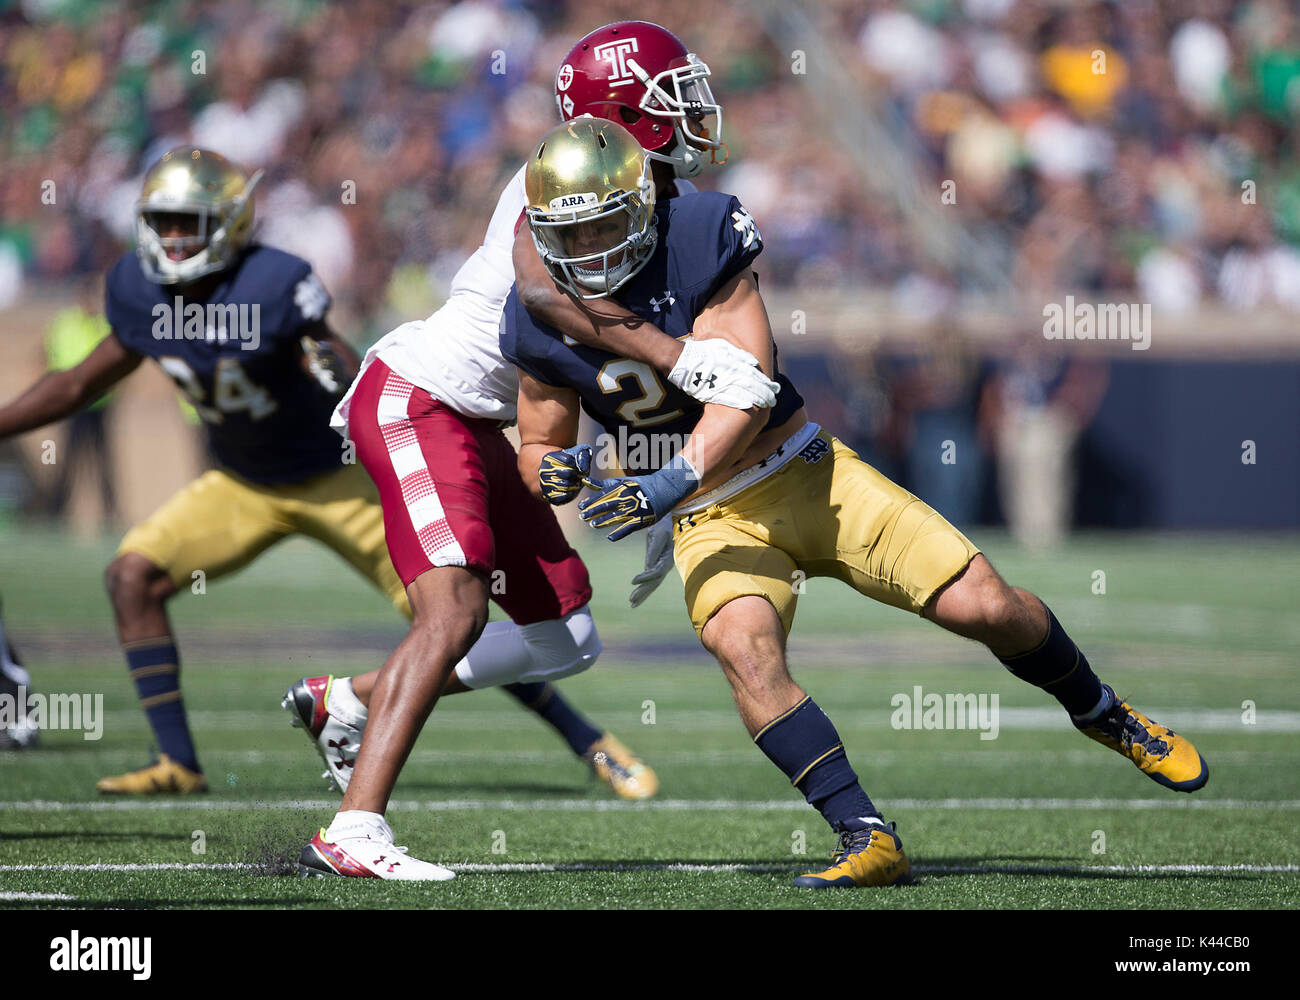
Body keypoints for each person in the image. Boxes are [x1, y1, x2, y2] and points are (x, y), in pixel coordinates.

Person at [502, 118, 1209, 889]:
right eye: (568, 234)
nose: (590, 248)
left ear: (640, 203)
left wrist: (663, 482)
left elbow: (744, 389)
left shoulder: (697, 233)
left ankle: (1103, 710)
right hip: (712, 518)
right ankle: (865, 833)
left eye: (604, 222)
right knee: (745, 651)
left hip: (805, 473)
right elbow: (535, 443)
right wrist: (558, 472)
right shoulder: (538, 310)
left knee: (987, 606)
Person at [0, 145, 668, 799]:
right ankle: (177, 761)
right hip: (244, 483)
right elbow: (78, 382)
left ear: (228, 225)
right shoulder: (138, 291)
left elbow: (334, 352)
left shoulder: (271, 280)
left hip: (339, 479)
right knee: (130, 574)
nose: (174, 239)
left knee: (451, 615)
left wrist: (340, 373)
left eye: (189, 224)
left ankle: (586, 738)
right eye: (162, 223)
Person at [296, 22, 783, 880]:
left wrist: (667, 483)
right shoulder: (556, 180)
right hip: (423, 398)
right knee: (453, 615)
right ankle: (355, 830)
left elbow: (596, 387)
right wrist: (677, 357)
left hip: (485, 424)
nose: (693, 115)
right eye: (670, 99)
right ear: (622, 114)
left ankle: (347, 700)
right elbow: (538, 292)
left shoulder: (657, 201)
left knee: (567, 637)